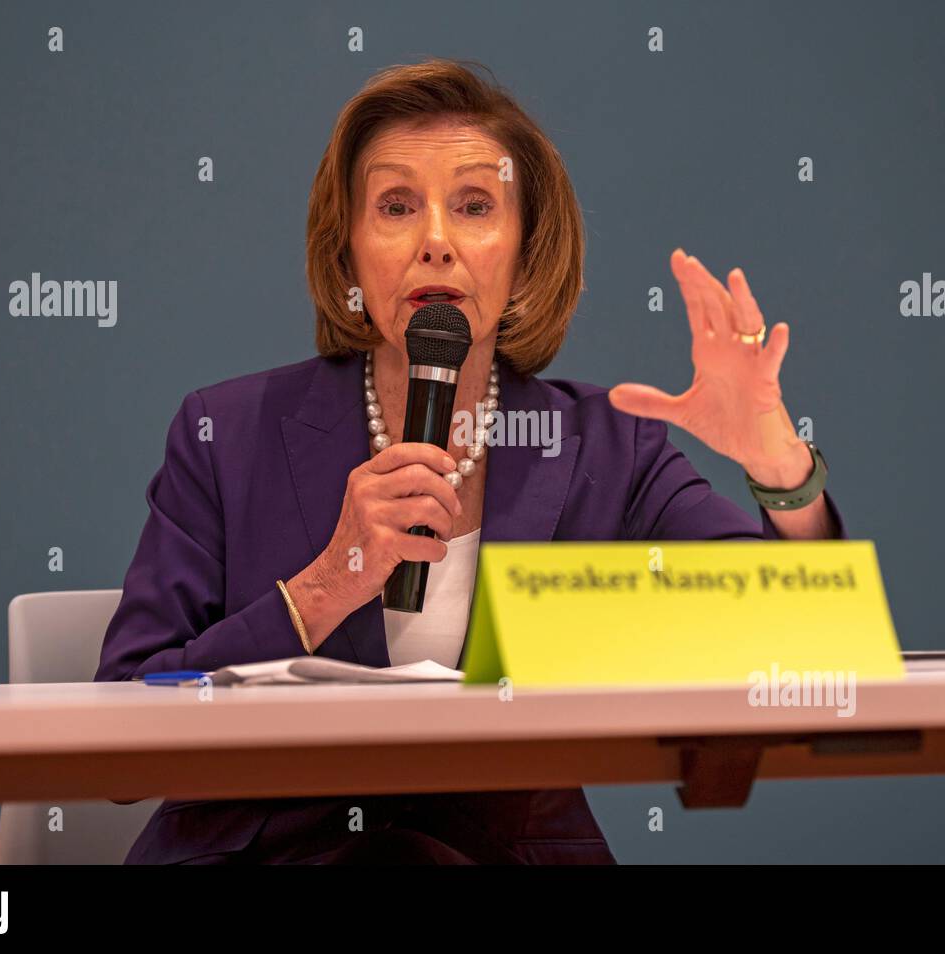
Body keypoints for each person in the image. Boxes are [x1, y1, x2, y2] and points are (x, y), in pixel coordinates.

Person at [95, 58, 847, 864]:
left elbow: (800, 642)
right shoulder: (226, 433)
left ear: (525, 252)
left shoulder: (607, 443)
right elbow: (122, 738)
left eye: (475, 206)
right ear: (346, 253)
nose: (436, 243)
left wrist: (779, 466)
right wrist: (322, 588)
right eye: (395, 207)